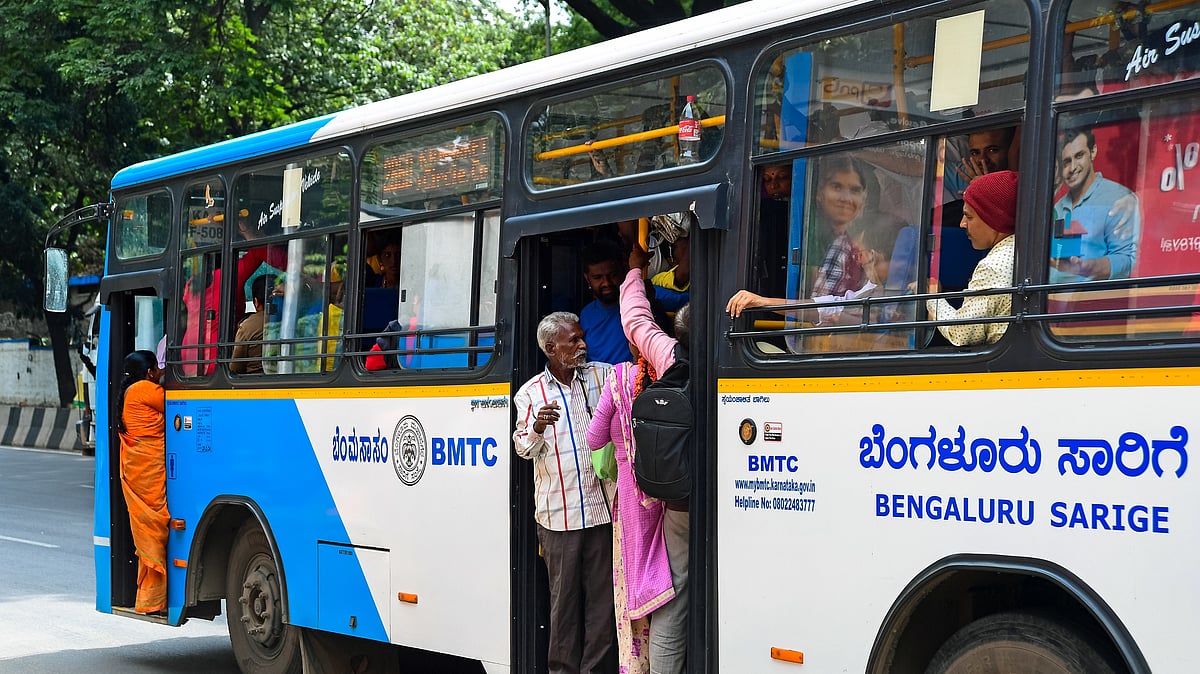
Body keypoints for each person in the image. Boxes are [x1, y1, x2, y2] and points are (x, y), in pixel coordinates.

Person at [513, 313, 616, 674]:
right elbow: (523, 449)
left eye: (581, 337)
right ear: (551, 348)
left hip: (601, 512)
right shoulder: (529, 393)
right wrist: (537, 426)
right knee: (565, 607)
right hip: (560, 517)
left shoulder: (602, 376)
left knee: (604, 606)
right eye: (573, 340)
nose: (582, 344)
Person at [621, 247, 689, 674]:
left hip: (682, 502)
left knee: (675, 593)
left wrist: (635, 270)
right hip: (740, 494)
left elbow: (635, 319)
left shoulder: (670, 357)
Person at [587, 339, 674, 674]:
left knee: (633, 580)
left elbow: (594, 439)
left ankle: (638, 665)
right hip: (667, 495)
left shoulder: (619, 378)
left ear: (629, 339)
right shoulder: (672, 372)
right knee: (667, 578)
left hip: (631, 498)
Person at [927, 170, 1019, 346]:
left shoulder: (993, 265)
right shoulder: (1018, 250)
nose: (962, 224)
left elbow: (961, 334)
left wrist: (932, 297)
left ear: (994, 219)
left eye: (969, 216)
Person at [1050, 127, 1139, 283]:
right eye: (1066, 162)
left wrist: (1085, 268)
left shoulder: (1119, 198)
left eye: (1079, 156)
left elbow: (1127, 260)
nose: (1072, 168)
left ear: (1093, 152)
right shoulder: (1057, 207)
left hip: (1094, 302)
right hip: (1051, 302)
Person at [117, 350, 169, 615]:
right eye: (158, 369)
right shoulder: (145, 390)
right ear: (150, 372)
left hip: (138, 468)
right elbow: (175, 402)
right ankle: (151, 599)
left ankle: (151, 599)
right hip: (147, 467)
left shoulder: (130, 391)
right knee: (154, 530)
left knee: (149, 532)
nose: (161, 373)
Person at [808, 155, 869, 298]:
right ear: (819, 192)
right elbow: (822, 311)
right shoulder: (808, 240)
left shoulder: (853, 245)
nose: (846, 198)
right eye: (836, 187)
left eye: (855, 190)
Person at [580, 241, 632, 365]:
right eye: (598, 278)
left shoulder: (641, 300)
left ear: (623, 270)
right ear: (587, 279)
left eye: (612, 275)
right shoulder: (586, 314)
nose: (606, 283)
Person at [230, 274, 275, 375]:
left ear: (256, 301)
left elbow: (235, 368)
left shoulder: (247, 327)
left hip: (254, 383)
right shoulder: (291, 321)